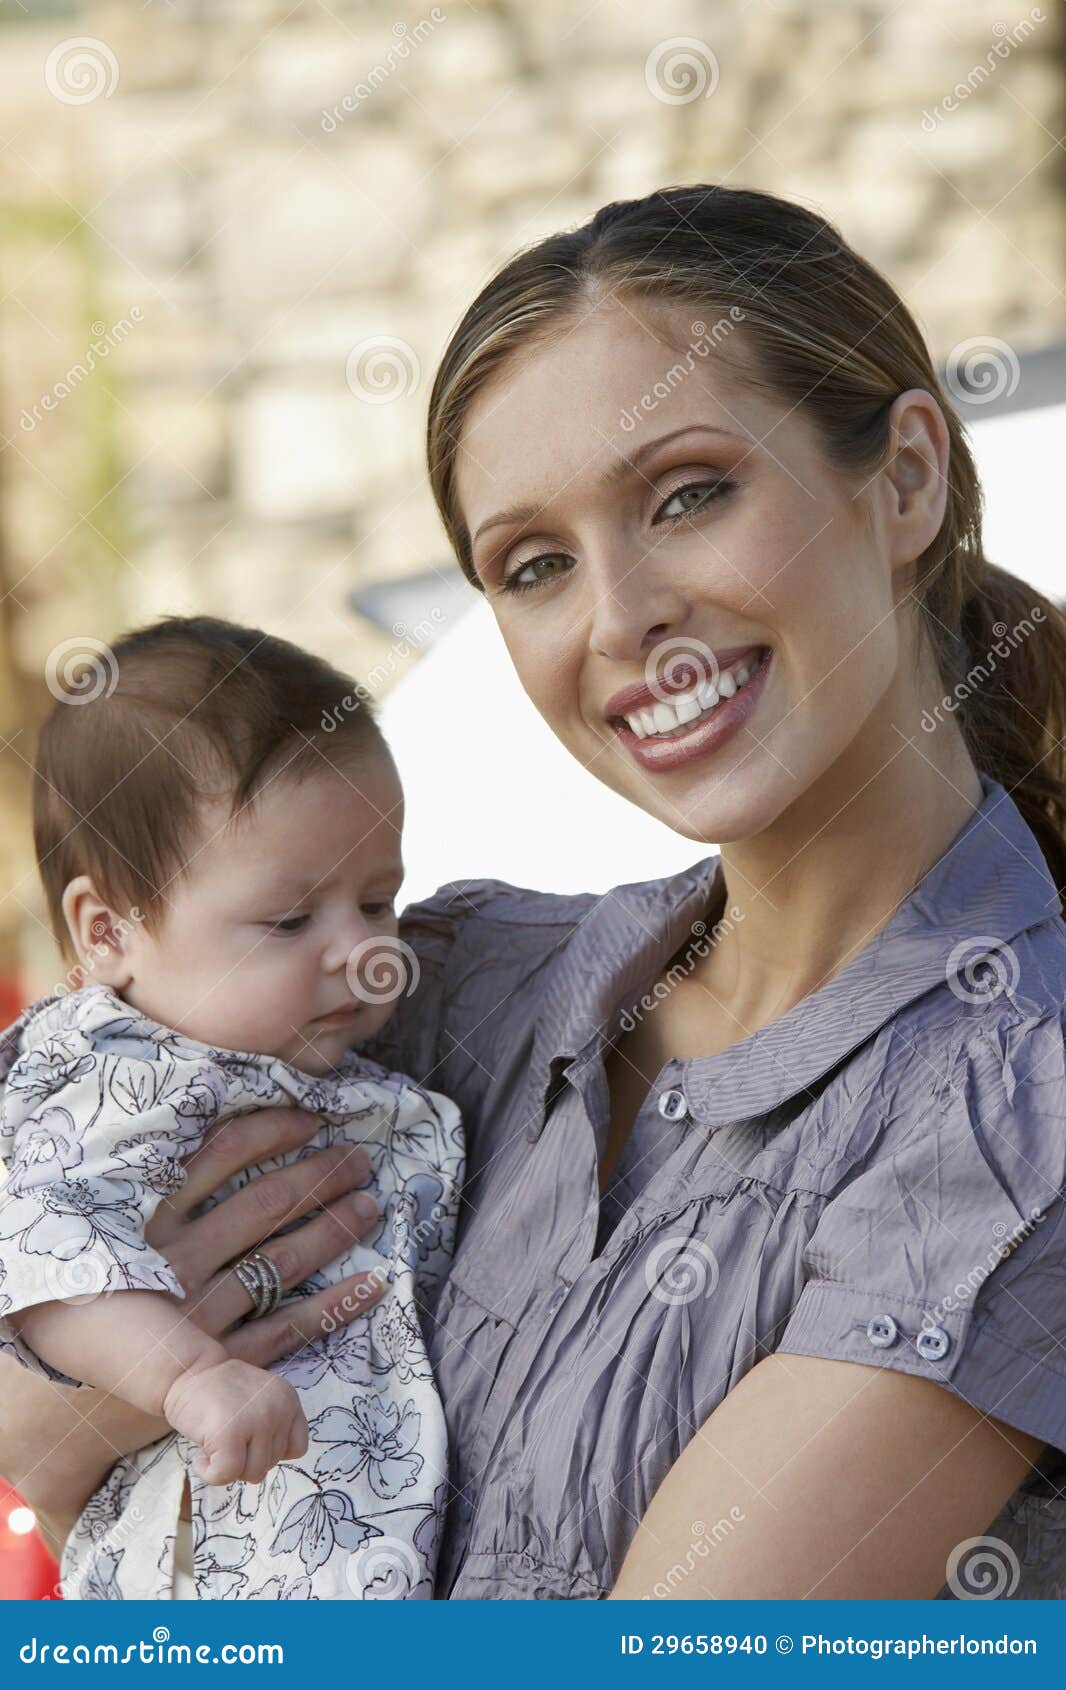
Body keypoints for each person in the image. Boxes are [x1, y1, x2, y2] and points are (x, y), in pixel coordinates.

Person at [3, 184, 1065, 1600]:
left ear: (907, 478)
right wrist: (104, 1383)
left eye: (688, 493)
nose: (619, 617)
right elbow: (45, 1400)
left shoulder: (1017, 1099)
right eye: (535, 565)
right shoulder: (438, 987)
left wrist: (114, 1391)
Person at [0, 616, 463, 1599]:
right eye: (289, 920)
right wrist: (186, 1376)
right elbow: (41, 1253)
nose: (360, 951)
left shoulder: (296, 1046)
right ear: (107, 931)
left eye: (377, 901)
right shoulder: (103, 1069)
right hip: (197, 1550)